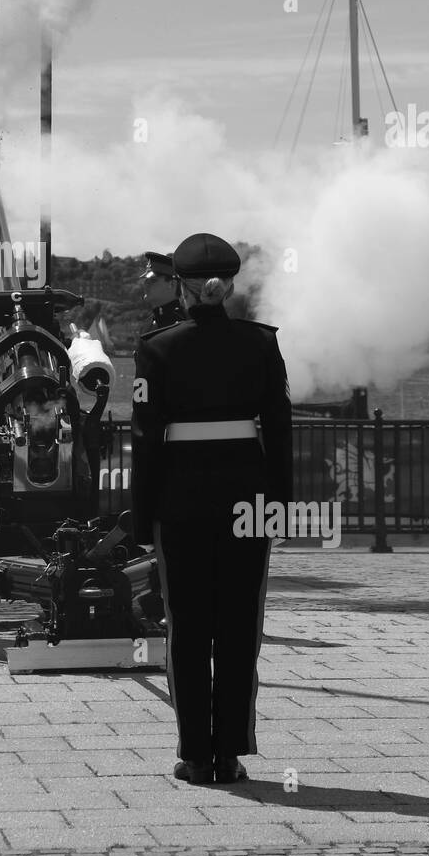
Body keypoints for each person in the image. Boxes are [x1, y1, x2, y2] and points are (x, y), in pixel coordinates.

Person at [131, 233, 292, 785]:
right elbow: (280, 431)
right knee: (241, 625)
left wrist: (141, 516)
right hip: (248, 500)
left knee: (190, 627)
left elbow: (146, 439)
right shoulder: (260, 343)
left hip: (181, 503)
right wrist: (280, 507)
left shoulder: (158, 349)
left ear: (182, 286)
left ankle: (196, 754)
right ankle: (231, 752)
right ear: (227, 287)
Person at [140, 250, 186, 329]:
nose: (146, 284)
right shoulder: (146, 325)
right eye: (146, 280)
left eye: (153, 280)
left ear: (172, 284)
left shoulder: (186, 321)